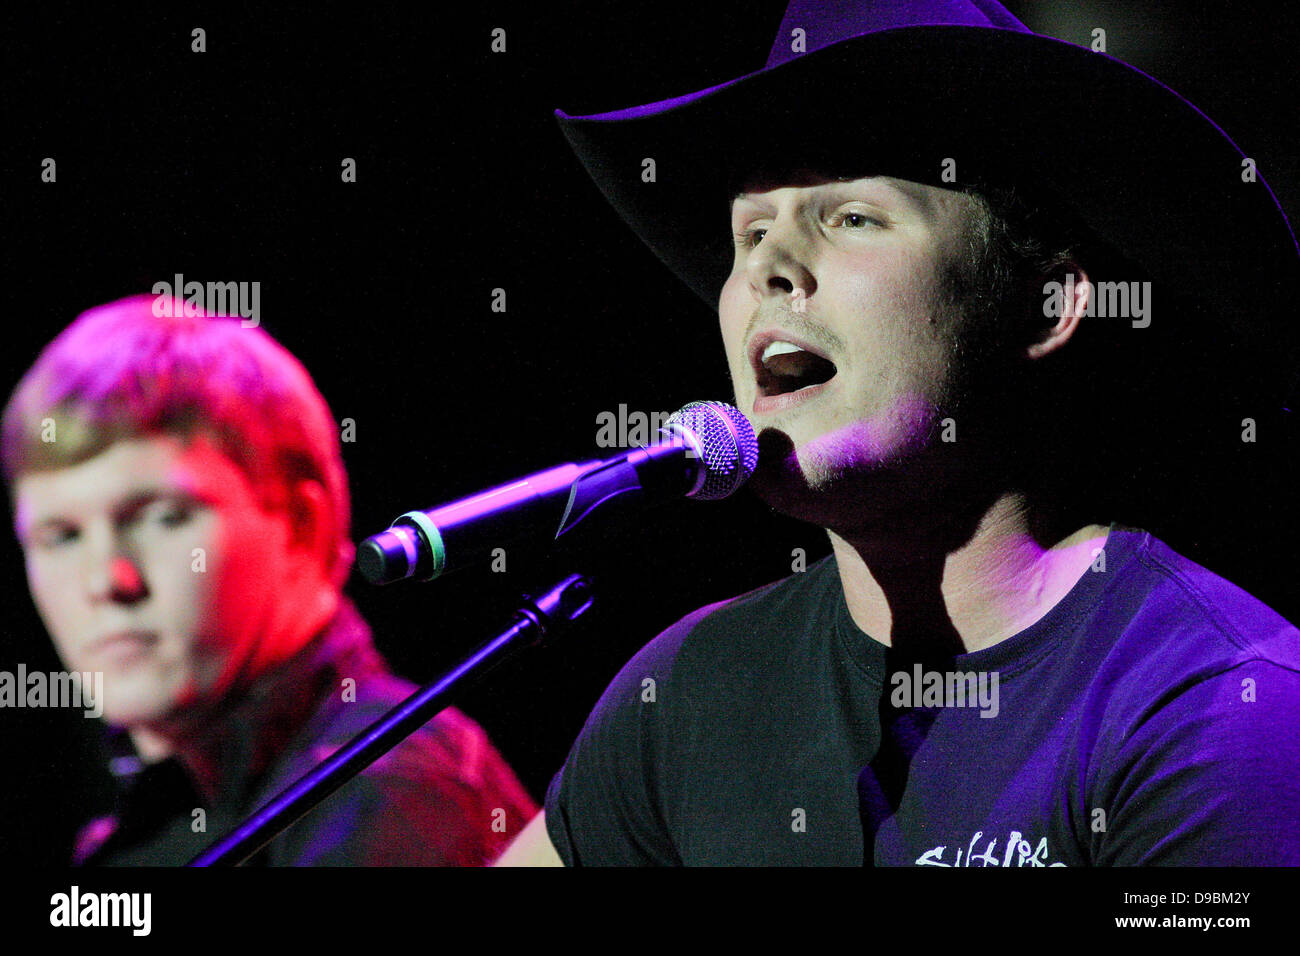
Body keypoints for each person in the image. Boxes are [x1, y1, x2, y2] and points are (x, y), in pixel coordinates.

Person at [497, 0, 1300, 865]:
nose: (769, 264)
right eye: (752, 231)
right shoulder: (686, 693)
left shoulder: (1212, 703)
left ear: (1043, 306)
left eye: (851, 219)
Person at [2, 294, 537, 865]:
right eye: (61, 536)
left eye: (163, 517)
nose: (106, 581)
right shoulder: (152, 819)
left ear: (302, 526)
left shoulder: (394, 791)